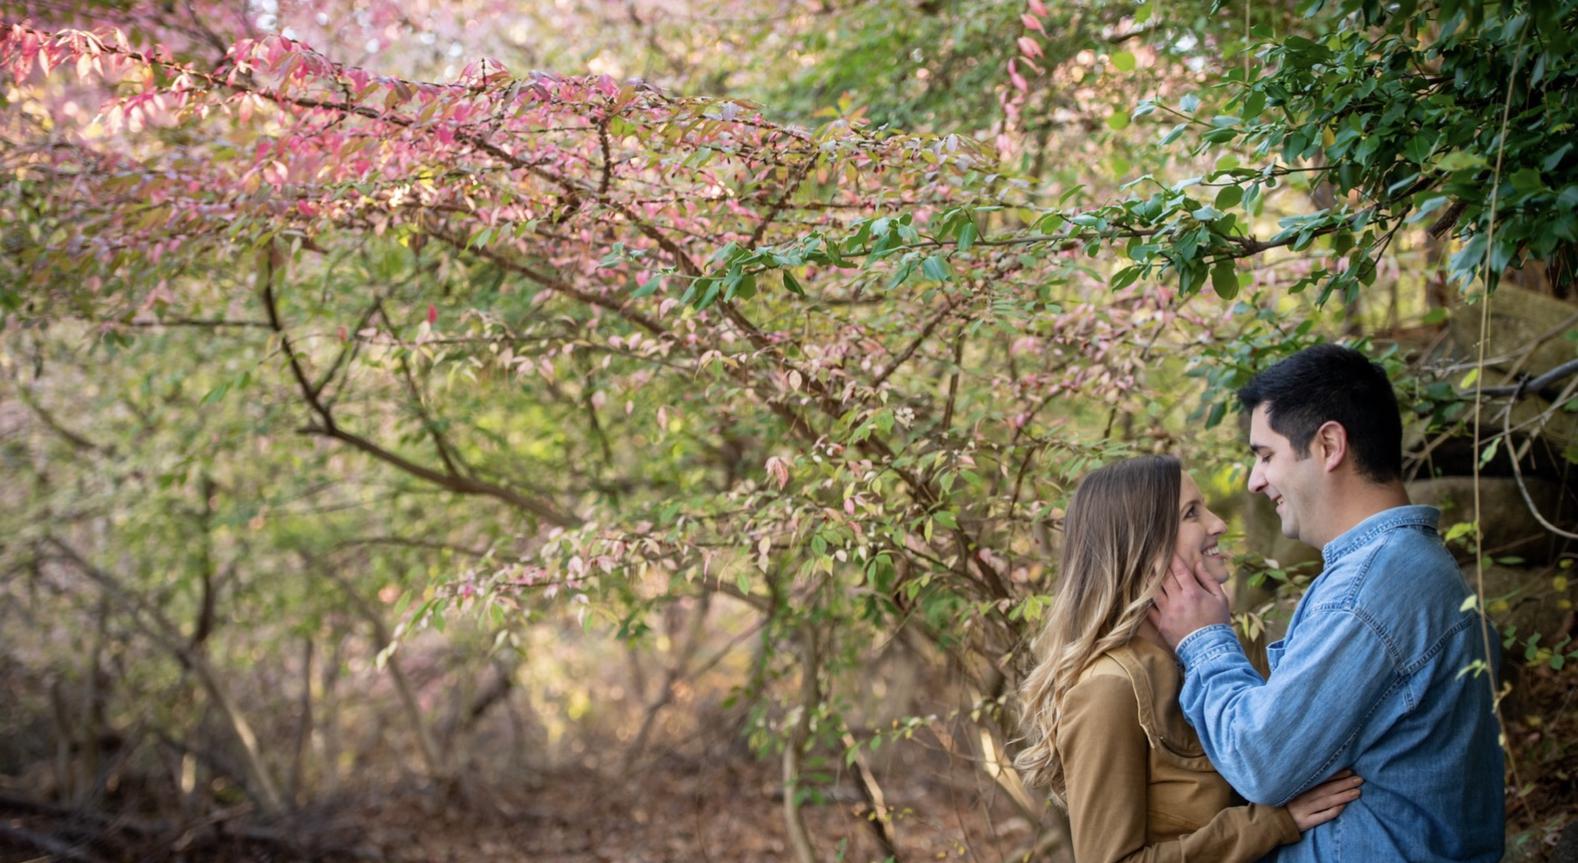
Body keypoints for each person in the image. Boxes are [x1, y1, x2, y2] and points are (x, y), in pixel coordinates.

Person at [1151, 344, 1505, 861]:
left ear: (1329, 445)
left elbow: (1262, 763)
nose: (1254, 481)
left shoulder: (1372, 591)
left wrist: (1204, 642)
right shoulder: (1395, 570)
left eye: (1266, 456)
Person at [1017, 454, 1363, 862]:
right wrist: (1269, 824)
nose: (1218, 524)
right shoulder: (1110, 687)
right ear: (1142, 546)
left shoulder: (1197, 656)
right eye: (1192, 513)